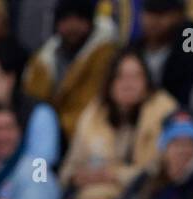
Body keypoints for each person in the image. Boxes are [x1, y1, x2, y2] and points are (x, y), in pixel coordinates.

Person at [59, 49, 178, 199]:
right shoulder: (95, 113)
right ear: (109, 83)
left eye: (136, 76)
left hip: (147, 198)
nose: (128, 84)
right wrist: (76, 177)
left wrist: (114, 175)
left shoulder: (163, 111)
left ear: (147, 82)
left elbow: (159, 170)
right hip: (89, 195)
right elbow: (69, 168)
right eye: (120, 76)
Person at [21, 0, 119, 140]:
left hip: (88, 134)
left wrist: (58, 129)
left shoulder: (104, 56)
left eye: (79, 19)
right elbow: (31, 101)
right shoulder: (44, 60)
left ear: (90, 22)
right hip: (48, 133)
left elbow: (91, 105)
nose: (73, 26)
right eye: (66, 20)